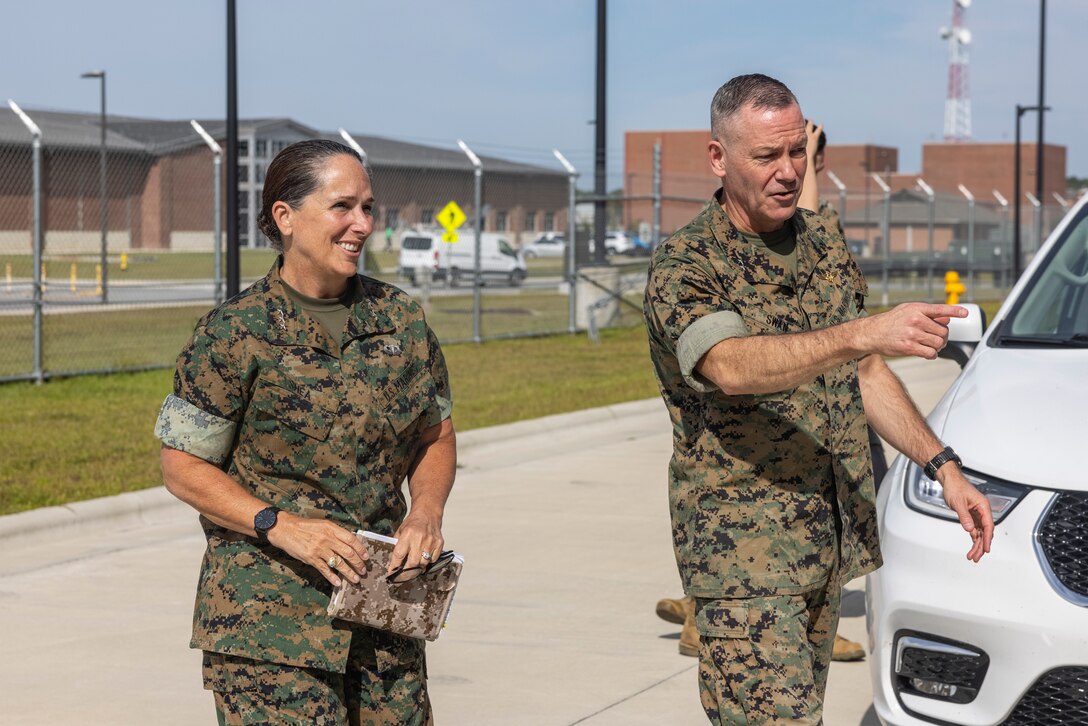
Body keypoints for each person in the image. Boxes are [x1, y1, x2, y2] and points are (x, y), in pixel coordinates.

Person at [643, 74, 993, 725]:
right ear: (719, 158)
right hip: (744, 563)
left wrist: (943, 466)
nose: (787, 171)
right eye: (766, 156)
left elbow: (865, 373)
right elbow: (728, 366)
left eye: (796, 152)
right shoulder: (688, 263)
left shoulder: (820, 242)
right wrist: (863, 330)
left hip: (824, 550)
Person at [155, 139, 455, 725]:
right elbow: (182, 466)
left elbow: (433, 436)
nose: (362, 225)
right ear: (285, 218)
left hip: (381, 614)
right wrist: (280, 525)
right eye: (342, 206)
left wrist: (426, 513)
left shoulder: (400, 321)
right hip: (269, 626)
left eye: (368, 207)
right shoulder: (234, 334)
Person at [798, 119, 889, 663]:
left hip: (841, 397)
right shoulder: (802, 229)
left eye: (801, 155)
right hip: (816, 410)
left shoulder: (818, 228)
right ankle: (818, 627)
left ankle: (701, 612)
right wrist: (807, 157)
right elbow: (807, 220)